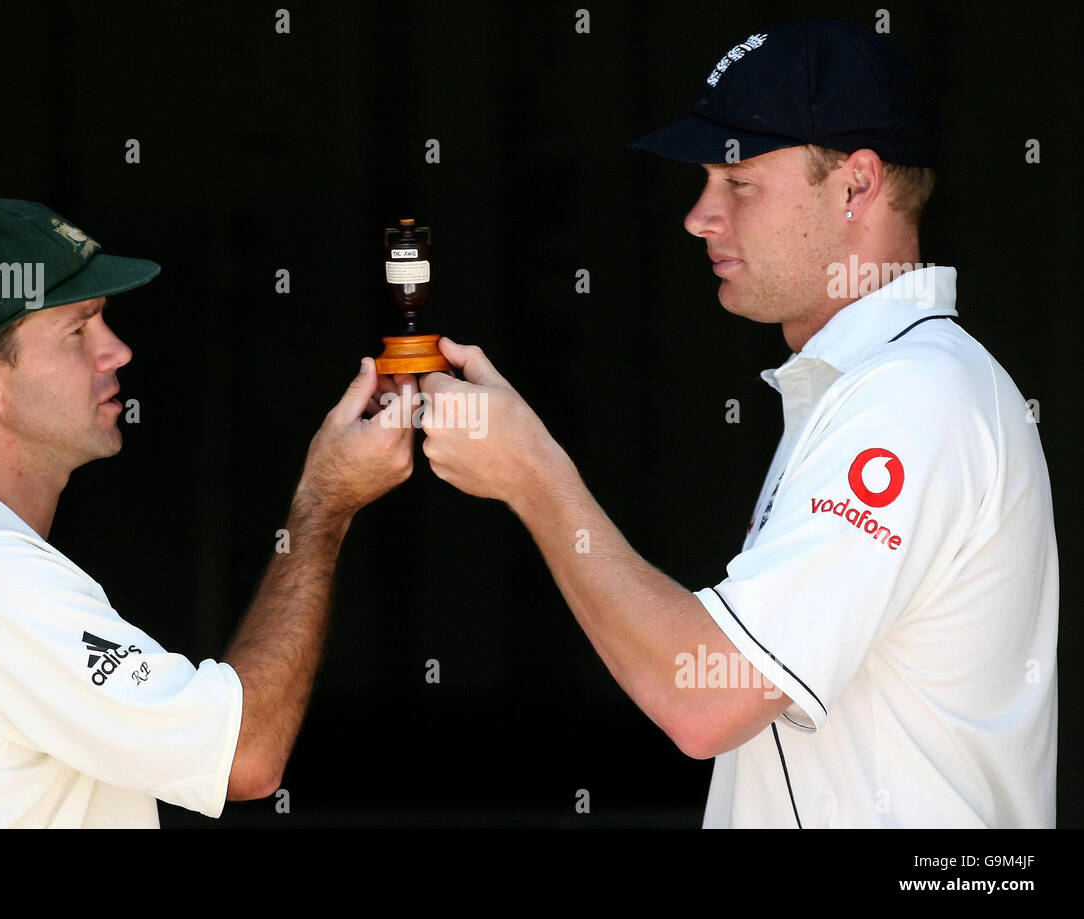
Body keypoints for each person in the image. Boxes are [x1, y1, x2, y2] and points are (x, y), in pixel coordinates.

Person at [417, 20, 1057, 827]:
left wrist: (533, 475)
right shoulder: (868, 382)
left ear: (856, 186)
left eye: (738, 181)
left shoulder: (913, 396)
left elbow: (706, 697)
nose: (699, 216)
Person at [0, 198, 415, 827]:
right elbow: (245, 757)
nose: (117, 350)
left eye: (105, 321)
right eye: (78, 328)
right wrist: (324, 504)